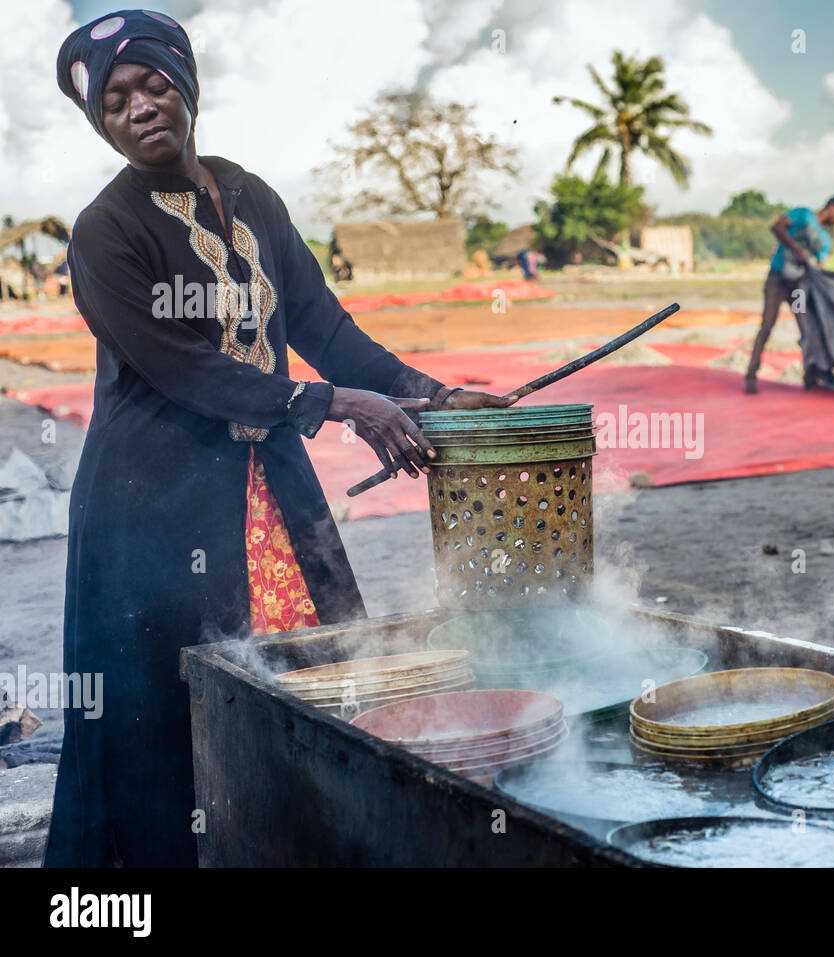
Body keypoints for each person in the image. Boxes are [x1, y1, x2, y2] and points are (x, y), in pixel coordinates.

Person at [47, 9, 515, 867]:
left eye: (152, 83)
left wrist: (430, 393)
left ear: (187, 85)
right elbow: (182, 367)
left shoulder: (253, 195)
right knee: (168, 710)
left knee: (324, 678)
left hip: (271, 484)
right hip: (152, 508)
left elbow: (324, 327)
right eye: (115, 102)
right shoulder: (105, 232)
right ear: (102, 124)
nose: (141, 107)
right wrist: (339, 404)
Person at [744, 196, 834, 394]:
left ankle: (810, 378)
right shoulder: (803, 215)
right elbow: (777, 227)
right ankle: (751, 376)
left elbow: (819, 267)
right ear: (833, 207)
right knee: (767, 326)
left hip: (798, 289)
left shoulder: (824, 240)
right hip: (777, 280)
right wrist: (796, 248)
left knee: (806, 329)